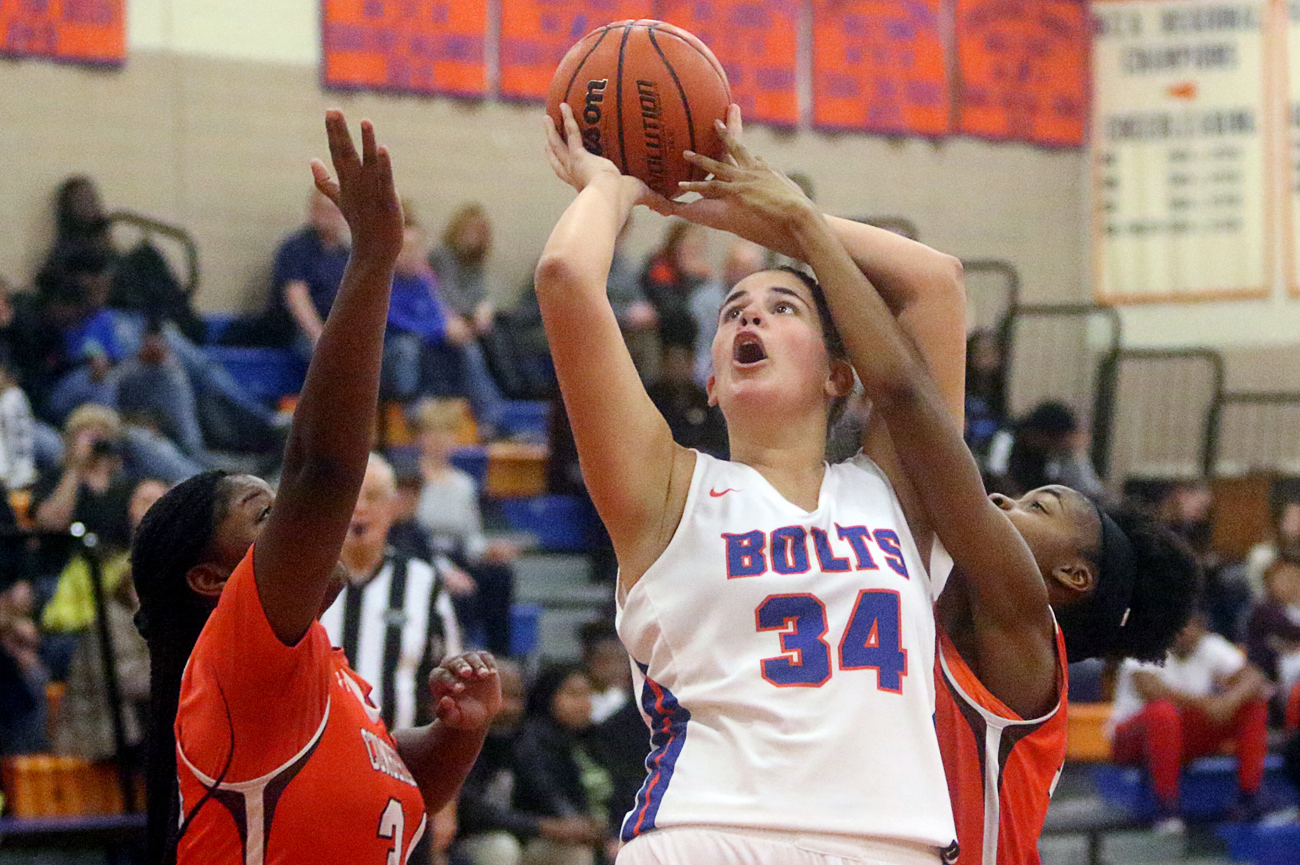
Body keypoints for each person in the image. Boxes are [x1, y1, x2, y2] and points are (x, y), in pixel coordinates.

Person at [662, 112, 1200, 865]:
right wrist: (727, 207)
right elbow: (934, 285)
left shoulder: (1019, 630)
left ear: (1072, 577)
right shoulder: (914, 583)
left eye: (1039, 505)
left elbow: (920, 355)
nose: (1006, 501)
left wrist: (793, 221)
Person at [540, 102, 964, 863]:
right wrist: (613, 186)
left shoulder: (896, 493)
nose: (751, 317)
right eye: (735, 308)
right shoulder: (669, 491)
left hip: (894, 843)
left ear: (842, 373)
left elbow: (935, 285)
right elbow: (567, 276)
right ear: (711, 380)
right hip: (709, 835)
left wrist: (784, 220)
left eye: (783, 307)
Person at [129, 111, 501, 865]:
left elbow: (395, 793)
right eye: (261, 516)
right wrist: (375, 259)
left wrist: (456, 734)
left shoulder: (317, 668)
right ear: (210, 579)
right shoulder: (236, 660)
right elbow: (324, 470)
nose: (295, 522)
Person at [320, 451, 463, 730]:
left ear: (393, 507)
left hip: (396, 759)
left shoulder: (423, 581)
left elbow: (450, 677)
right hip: (309, 760)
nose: (360, 507)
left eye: (372, 497)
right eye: (349, 496)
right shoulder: (300, 578)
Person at [1110, 609, 1272, 832]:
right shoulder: (1145, 643)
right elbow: (1152, 690)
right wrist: (1210, 704)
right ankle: (1166, 807)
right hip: (1132, 739)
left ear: (1200, 627)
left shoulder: (1209, 645)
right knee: (1162, 712)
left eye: (1190, 626)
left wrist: (1230, 700)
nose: (1184, 632)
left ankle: (1249, 797)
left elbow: (1254, 677)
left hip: (1180, 736)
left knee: (1253, 703)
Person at [408, 397, 516, 654]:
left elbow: (471, 537)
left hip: (459, 555)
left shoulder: (463, 484)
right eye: (434, 433)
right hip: (422, 554)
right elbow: (410, 534)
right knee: (455, 589)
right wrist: (444, 570)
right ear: (420, 438)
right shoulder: (410, 480)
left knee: (499, 576)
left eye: (447, 433)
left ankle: (499, 655)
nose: (441, 441)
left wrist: (488, 550)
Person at [512, 663, 613, 865]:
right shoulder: (532, 740)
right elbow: (547, 796)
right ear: (548, 696)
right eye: (573, 694)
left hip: (601, 833)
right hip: (548, 836)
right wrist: (589, 830)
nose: (583, 703)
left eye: (588, 695)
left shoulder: (596, 740)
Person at [271, 188, 351, 358]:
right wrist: (319, 335)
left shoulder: (346, 254)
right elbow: (297, 296)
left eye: (337, 210)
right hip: (298, 330)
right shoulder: (296, 248)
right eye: (326, 210)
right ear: (313, 212)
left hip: (336, 329)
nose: (332, 216)